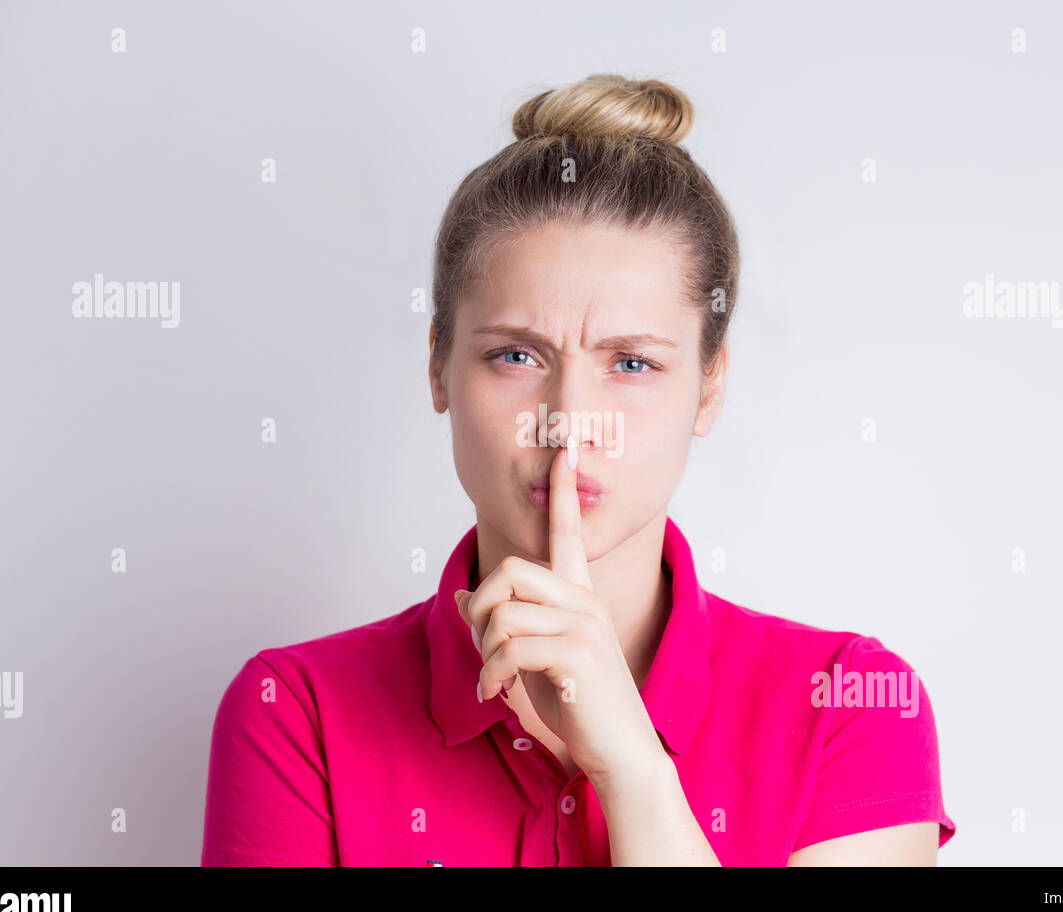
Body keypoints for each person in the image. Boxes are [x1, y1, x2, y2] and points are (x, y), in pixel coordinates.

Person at [201, 73, 956, 866]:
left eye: (631, 363)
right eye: (516, 355)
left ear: (710, 387)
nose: (570, 419)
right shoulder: (295, 712)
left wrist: (631, 767)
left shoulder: (853, 706)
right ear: (438, 368)